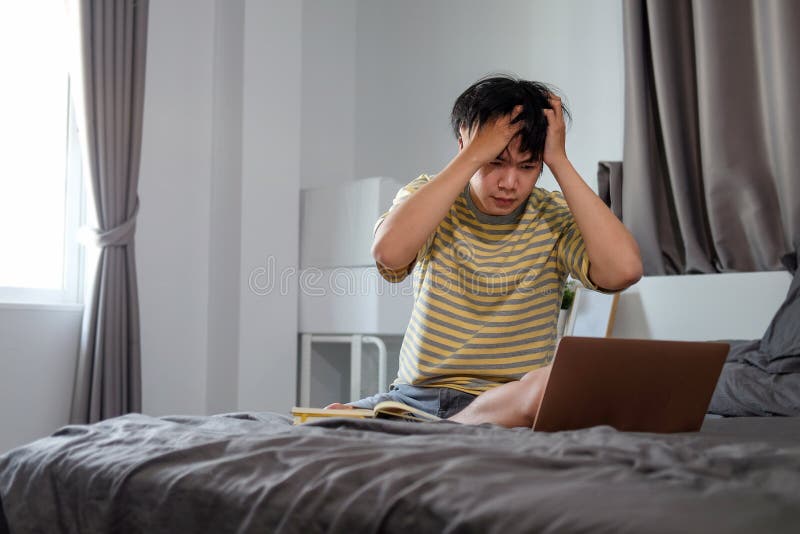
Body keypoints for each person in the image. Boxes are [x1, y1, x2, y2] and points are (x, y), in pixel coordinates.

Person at [326, 74, 643, 427]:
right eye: (495, 162)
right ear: (464, 142)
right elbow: (389, 253)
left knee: (550, 384)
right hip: (414, 396)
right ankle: (431, 425)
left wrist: (560, 161)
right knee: (320, 425)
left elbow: (624, 270)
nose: (509, 183)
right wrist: (473, 154)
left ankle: (449, 427)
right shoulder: (430, 197)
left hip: (505, 403)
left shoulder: (552, 216)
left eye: (527, 166)